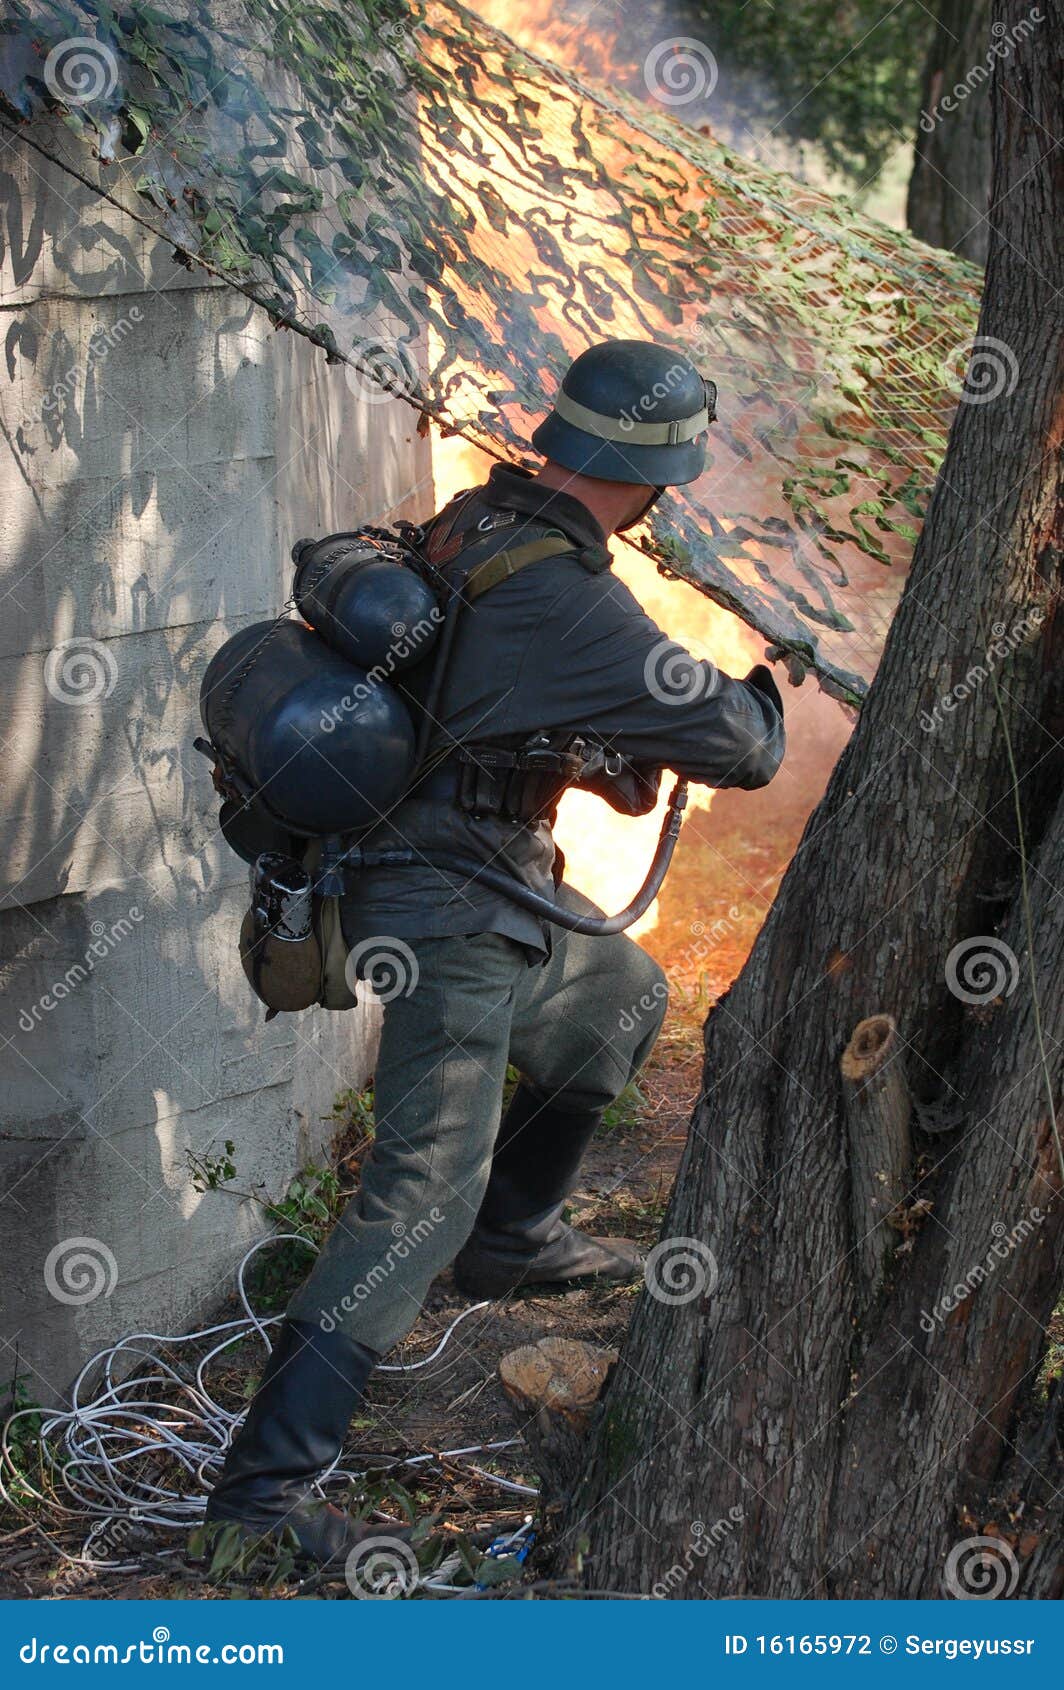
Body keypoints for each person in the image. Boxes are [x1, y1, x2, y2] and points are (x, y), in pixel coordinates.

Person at [205, 339, 785, 1564]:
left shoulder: (484, 519)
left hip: (474, 877)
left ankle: (510, 1237)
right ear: (655, 474)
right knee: (415, 1196)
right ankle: (258, 1500)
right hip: (444, 911)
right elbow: (739, 745)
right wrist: (763, 697)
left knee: (614, 1004)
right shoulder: (568, 594)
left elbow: (492, 694)